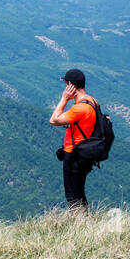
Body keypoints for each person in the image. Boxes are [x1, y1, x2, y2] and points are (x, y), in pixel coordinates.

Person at [49, 68, 98, 212]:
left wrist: (64, 99)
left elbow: (53, 120)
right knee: (79, 191)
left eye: (66, 84)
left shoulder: (80, 108)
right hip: (85, 153)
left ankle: (79, 222)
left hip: (74, 155)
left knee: (72, 195)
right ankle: (85, 220)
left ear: (71, 85)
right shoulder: (92, 101)